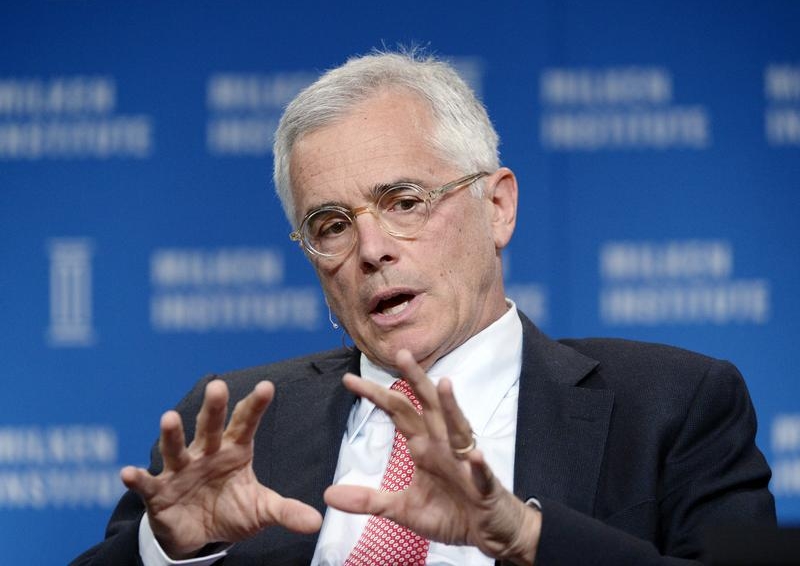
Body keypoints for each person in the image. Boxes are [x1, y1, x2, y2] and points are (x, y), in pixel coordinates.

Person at [71, 50, 775, 566]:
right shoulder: (237, 426)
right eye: (331, 226)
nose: (371, 249)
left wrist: (524, 535)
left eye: (404, 202)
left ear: (497, 207)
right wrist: (167, 551)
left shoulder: (670, 405)